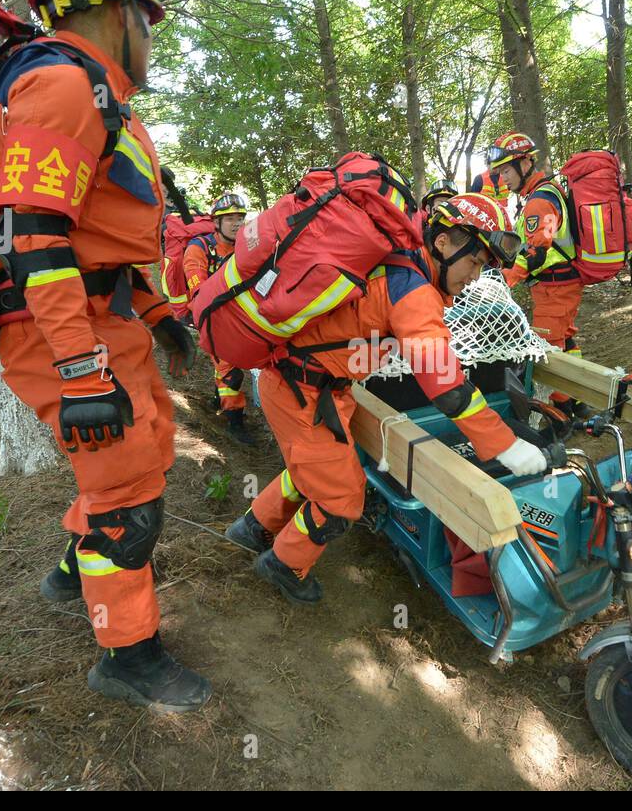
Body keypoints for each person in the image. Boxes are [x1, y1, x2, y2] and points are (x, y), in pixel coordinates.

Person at [0, 0, 209, 710]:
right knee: (126, 506)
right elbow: (34, 238)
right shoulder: (63, 87)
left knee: (137, 460)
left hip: (93, 316)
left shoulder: (94, 91)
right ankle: (128, 656)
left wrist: (156, 312)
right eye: (148, 21)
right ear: (116, 9)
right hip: (63, 329)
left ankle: (68, 575)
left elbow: (95, 243)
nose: (152, 40)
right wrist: (81, 369)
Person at [224, 193, 547, 605]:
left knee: (319, 470)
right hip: (301, 393)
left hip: (316, 387)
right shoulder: (413, 290)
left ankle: (252, 528)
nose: (476, 276)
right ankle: (284, 564)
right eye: (476, 262)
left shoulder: (400, 264)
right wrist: (505, 445)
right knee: (341, 500)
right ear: (444, 242)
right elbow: (447, 387)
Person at [489, 132, 586, 415]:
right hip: (556, 285)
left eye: (506, 170)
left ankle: (562, 412)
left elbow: (536, 252)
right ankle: (577, 400)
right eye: (499, 172)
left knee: (547, 351)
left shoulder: (539, 201)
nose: (502, 178)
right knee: (565, 341)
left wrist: (505, 280)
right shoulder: (539, 194)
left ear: (525, 163)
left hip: (556, 286)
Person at [179, 193, 258, 444]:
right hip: (209, 314)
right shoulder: (199, 249)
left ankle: (218, 398)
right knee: (230, 369)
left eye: (240, 218)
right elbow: (199, 291)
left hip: (241, 314)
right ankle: (234, 421)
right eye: (230, 218)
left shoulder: (247, 247)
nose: (237, 223)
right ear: (216, 222)